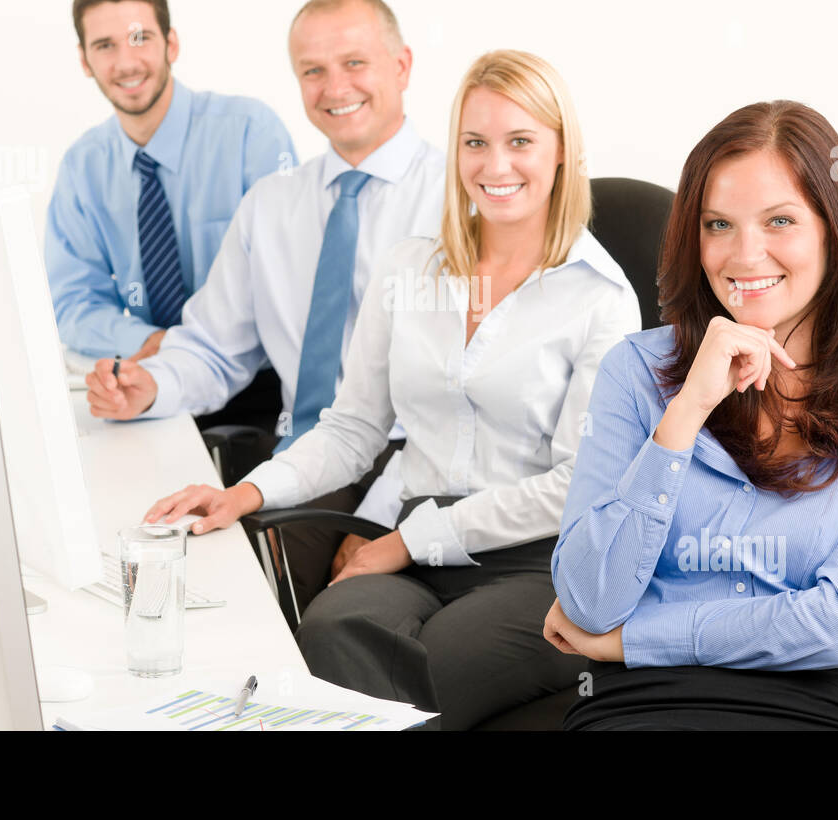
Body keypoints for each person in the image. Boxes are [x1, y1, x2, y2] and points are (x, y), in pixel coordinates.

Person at [145, 49, 642, 730]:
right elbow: (353, 429)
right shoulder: (412, 267)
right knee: (332, 625)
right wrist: (247, 491)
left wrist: (407, 542)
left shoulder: (601, 298)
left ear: (562, 153)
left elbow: (573, 485)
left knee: (437, 657)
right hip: (420, 543)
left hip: (539, 561)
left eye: (520, 141)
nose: (495, 166)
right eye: (475, 143)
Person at [544, 100, 838, 730]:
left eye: (779, 221)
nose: (745, 256)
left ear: (834, 229)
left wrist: (637, 640)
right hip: (636, 708)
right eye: (718, 225)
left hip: (808, 707)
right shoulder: (634, 372)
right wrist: (685, 412)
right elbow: (587, 601)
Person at [87, 0, 446, 611]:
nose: (335, 86)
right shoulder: (273, 205)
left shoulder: (462, 204)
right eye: (313, 70)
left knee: (263, 605)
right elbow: (212, 347)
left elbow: (465, 403)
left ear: (402, 66)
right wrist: (151, 385)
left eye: (354, 63)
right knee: (152, 562)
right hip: (302, 452)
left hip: (410, 462)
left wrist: (389, 518)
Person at [45, 0, 296, 360]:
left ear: (171, 44)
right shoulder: (83, 168)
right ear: (83, 60)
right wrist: (158, 346)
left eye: (140, 38)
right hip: (151, 369)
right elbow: (75, 302)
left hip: (254, 379)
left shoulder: (251, 134)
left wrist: (197, 356)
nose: (126, 63)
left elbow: (285, 278)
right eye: (105, 45)